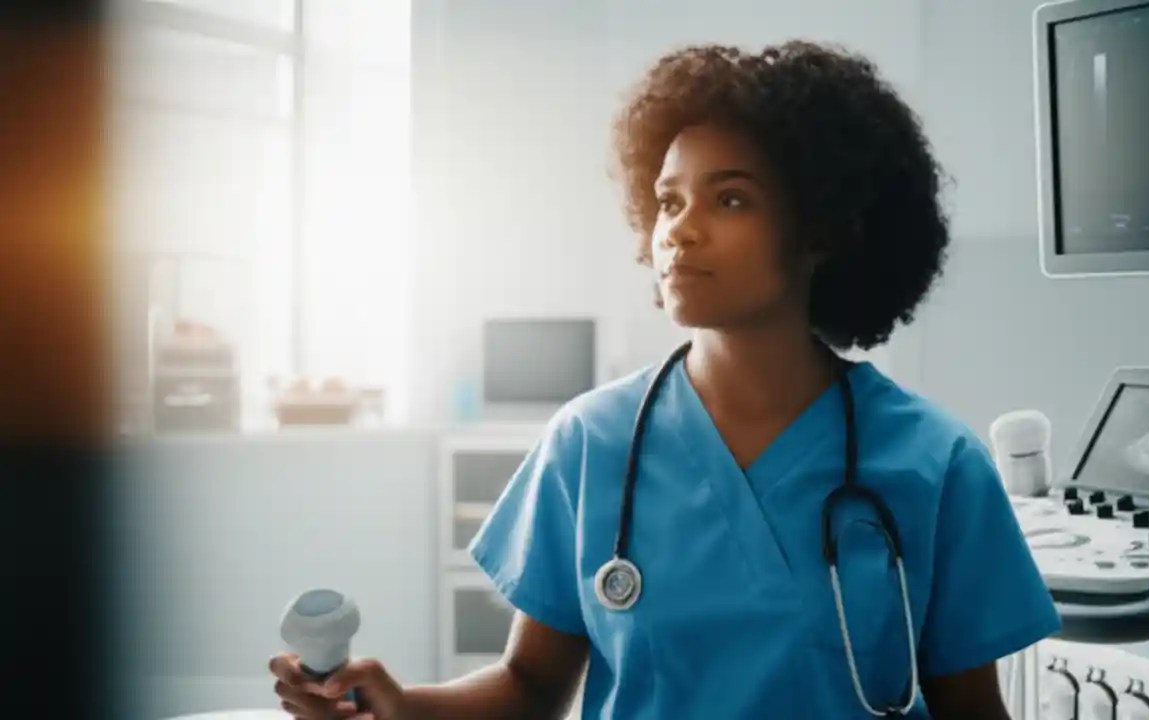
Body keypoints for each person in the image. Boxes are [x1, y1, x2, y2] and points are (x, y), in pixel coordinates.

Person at [269, 40, 1060, 719]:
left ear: (824, 228)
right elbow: (530, 686)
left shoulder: (934, 463)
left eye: (731, 198)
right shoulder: (591, 441)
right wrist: (404, 705)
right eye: (668, 200)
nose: (680, 229)